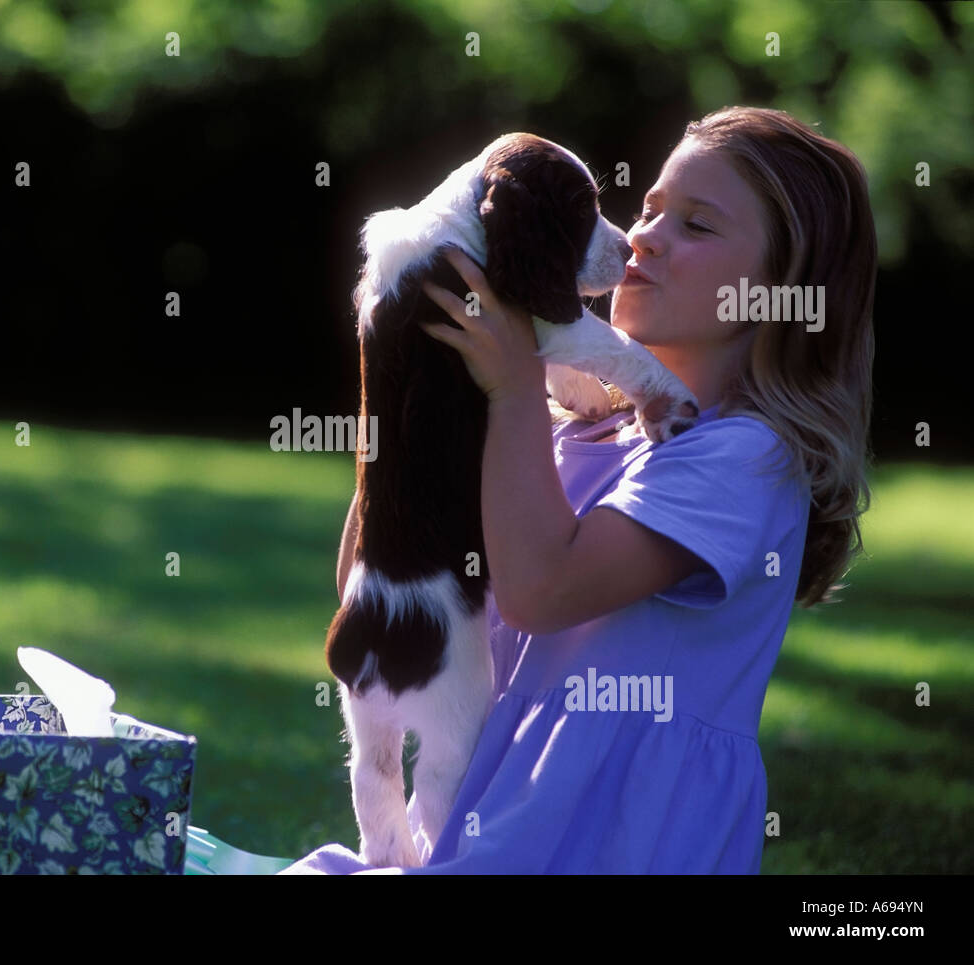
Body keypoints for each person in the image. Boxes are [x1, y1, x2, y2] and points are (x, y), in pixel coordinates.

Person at [279, 106, 876, 874]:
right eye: (652, 207)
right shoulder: (574, 429)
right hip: (489, 818)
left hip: (606, 837)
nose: (644, 235)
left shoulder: (744, 458)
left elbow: (540, 590)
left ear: (778, 294)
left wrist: (514, 385)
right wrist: (413, 382)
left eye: (696, 226)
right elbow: (371, 581)